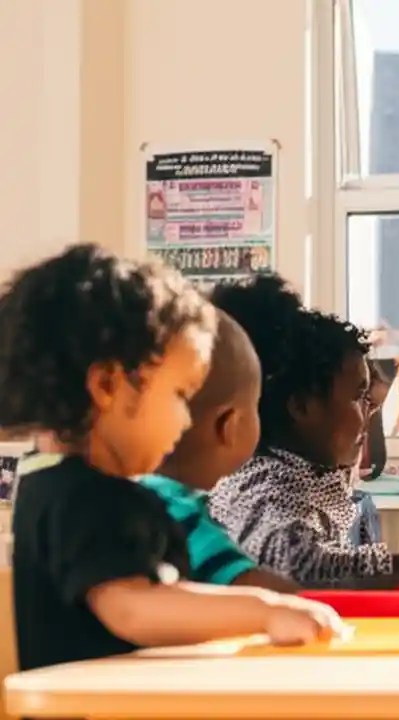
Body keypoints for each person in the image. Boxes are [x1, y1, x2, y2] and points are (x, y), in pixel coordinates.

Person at [0, 245, 342, 671]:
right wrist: (263, 610)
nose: (185, 420)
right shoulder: (85, 496)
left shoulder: (47, 479)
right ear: (108, 385)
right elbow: (133, 608)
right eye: (181, 395)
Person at [208, 274, 399, 588]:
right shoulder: (265, 481)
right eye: (357, 396)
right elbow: (291, 568)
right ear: (301, 406)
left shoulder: (305, 474)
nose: (370, 410)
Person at [139, 310, 299, 593]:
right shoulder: (170, 507)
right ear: (230, 426)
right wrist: (316, 603)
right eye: (255, 404)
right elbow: (247, 588)